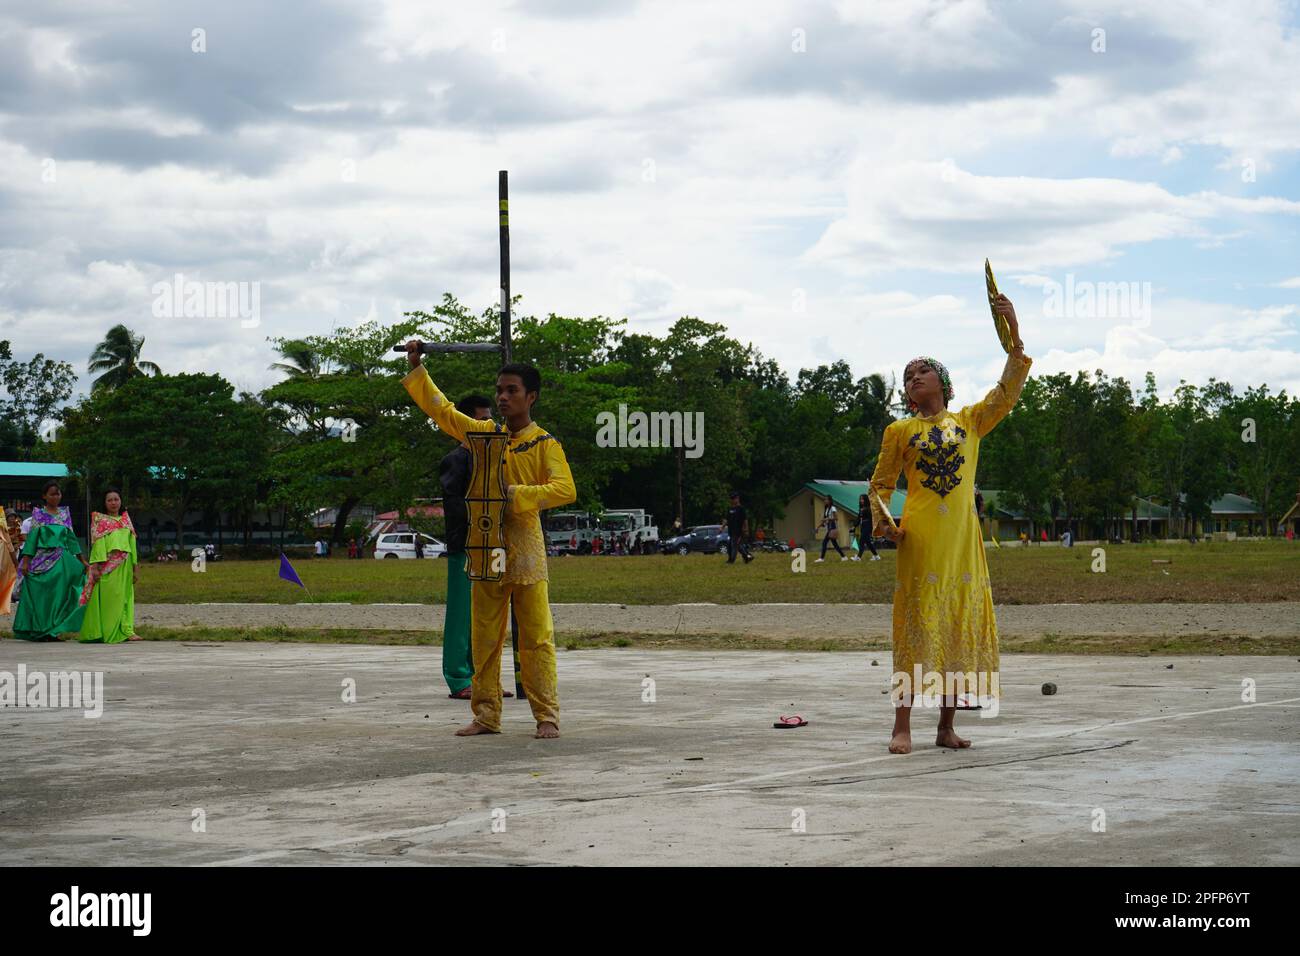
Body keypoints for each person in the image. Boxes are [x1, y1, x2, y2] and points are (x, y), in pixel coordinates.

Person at [868, 292, 1031, 754]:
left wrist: (1013, 333)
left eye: (923, 370)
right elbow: (878, 486)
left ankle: (946, 726)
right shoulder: (899, 432)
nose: (914, 377)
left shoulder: (970, 422)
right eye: (907, 376)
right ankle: (902, 726)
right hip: (920, 537)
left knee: (957, 624)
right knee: (917, 624)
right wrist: (886, 525)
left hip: (962, 540)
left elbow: (1007, 393)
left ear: (943, 381)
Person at [403, 340, 577, 739]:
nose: (502, 397)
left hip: (527, 553)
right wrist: (418, 369)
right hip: (486, 551)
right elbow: (443, 412)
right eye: (499, 390)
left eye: (511, 390)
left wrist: (517, 495)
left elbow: (565, 489)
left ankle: (546, 715)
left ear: (531, 396)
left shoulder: (545, 443)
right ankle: (486, 715)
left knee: (536, 638)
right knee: (485, 637)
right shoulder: (483, 436)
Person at [439, 393, 495, 700]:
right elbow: (455, 506)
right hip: (464, 545)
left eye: (489, 418)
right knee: (461, 614)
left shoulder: (491, 457)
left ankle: (484, 677)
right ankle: (459, 677)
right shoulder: (455, 460)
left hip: (491, 546)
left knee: (487, 614)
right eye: (481, 419)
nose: (488, 424)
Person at [13, 480, 89, 641]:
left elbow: (71, 539)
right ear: (44, 496)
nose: (56, 497)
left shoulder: (64, 514)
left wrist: (81, 559)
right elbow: (32, 539)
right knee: (42, 597)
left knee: (59, 596)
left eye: (58, 493)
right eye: (52, 494)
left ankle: (54, 630)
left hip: (61, 560)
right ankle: (40, 629)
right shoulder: (38, 515)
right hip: (41, 560)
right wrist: (25, 561)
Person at [78, 488, 141, 643]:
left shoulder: (126, 519)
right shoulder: (100, 520)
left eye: (116, 499)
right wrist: (98, 567)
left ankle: (126, 630)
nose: (114, 503)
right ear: (104, 503)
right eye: (110, 500)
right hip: (108, 567)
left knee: (126, 598)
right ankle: (108, 631)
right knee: (111, 600)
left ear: (121, 501)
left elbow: (132, 543)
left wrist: (135, 567)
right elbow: (98, 544)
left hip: (125, 565)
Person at [724, 492, 753, 564]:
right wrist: (722, 527)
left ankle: (731, 560)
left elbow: (745, 520)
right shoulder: (730, 509)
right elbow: (726, 519)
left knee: (733, 545)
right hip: (731, 530)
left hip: (739, 530)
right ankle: (748, 557)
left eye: (734, 498)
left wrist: (746, 530)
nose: (732, 500)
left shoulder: (741, 509)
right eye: (731, 499)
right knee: (738, 546)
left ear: (737, 499)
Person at [852, 494, 881, 562]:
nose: (861, 500)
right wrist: (854, 526)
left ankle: (858, 557)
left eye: (862, 499)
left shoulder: (869, 508)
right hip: (863, 526)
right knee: (868, 542)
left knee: (862, 541)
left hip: (868, 525)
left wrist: (871, 528)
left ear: (866, 500)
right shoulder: (861, 508)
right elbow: (859, 518)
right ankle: (876, 556)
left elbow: (871, 519)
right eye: (860, 499)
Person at [0, 506, 17, 615]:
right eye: (9, 516)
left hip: (6, 554)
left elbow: (12, 544)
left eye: (13, 516)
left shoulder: (14, 527)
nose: (11, 518)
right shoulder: (4, 528)